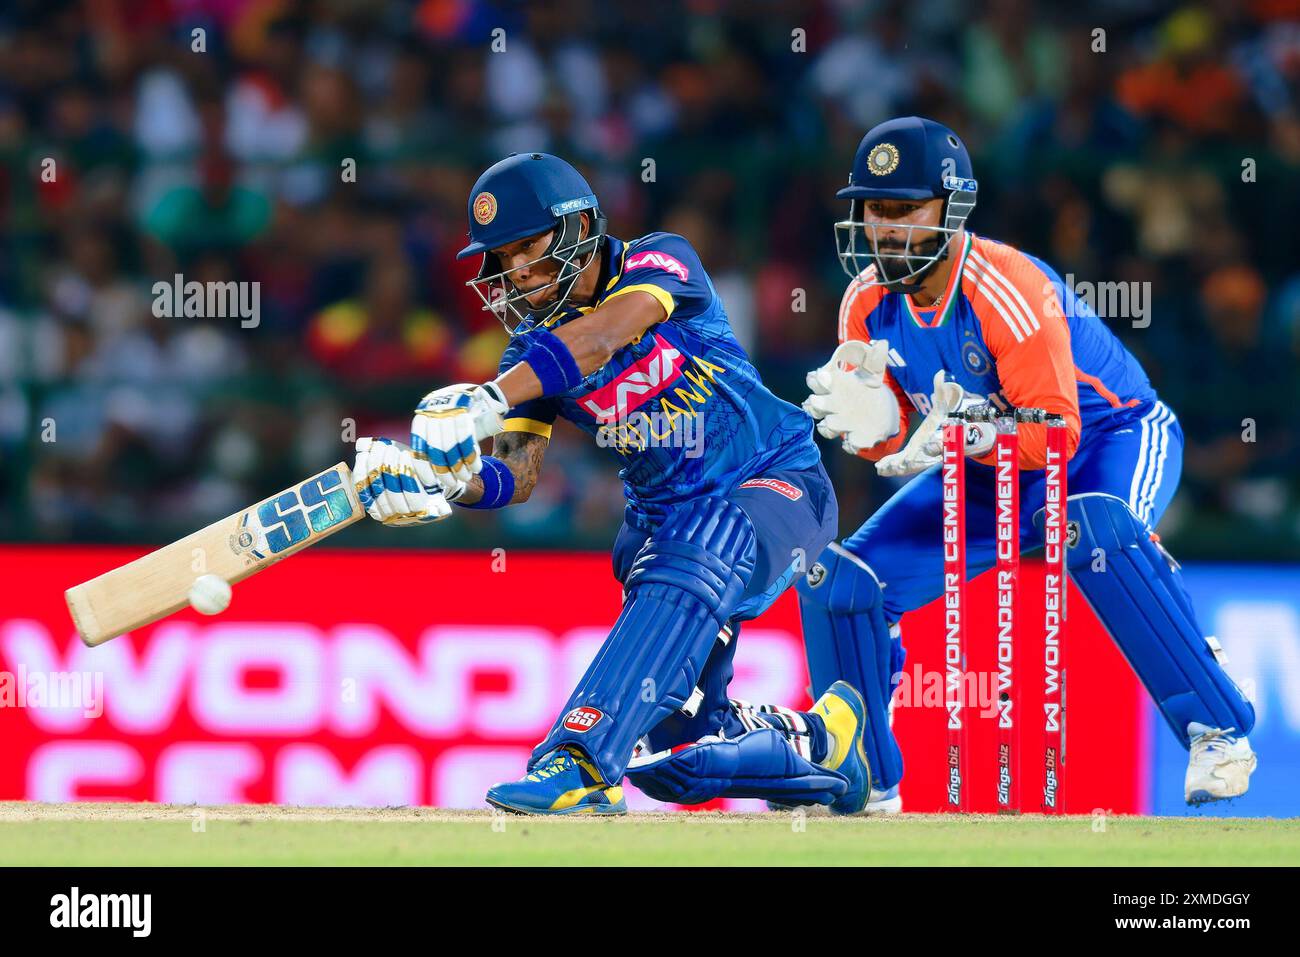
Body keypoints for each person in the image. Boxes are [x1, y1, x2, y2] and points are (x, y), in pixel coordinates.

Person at [350, 152, 868, 815]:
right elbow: (519, 474)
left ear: (582, 226)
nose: (518, 272)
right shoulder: (530, 357)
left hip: (777, 485)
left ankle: (579, 762)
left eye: (528, 248)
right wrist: (444, 480)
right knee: (683, 754)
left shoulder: (660, 263)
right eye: (503, 259)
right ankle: (827, 747)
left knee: (702, 538)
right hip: (664, 530)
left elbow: (603, 335)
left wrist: (482, 399)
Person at [797, 116, 1257, 812]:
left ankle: (1217, 723)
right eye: (871, 208)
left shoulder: (1005, 287)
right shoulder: (865, 302)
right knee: (841, 580)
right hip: (987, 469)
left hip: (1110, 438)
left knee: (1090, 529)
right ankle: (862, 773)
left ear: (951, 210)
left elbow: (1056, 436)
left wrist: (965, 432)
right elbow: (895, 443)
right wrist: (876, 433)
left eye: (901, 208)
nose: (883, 227)